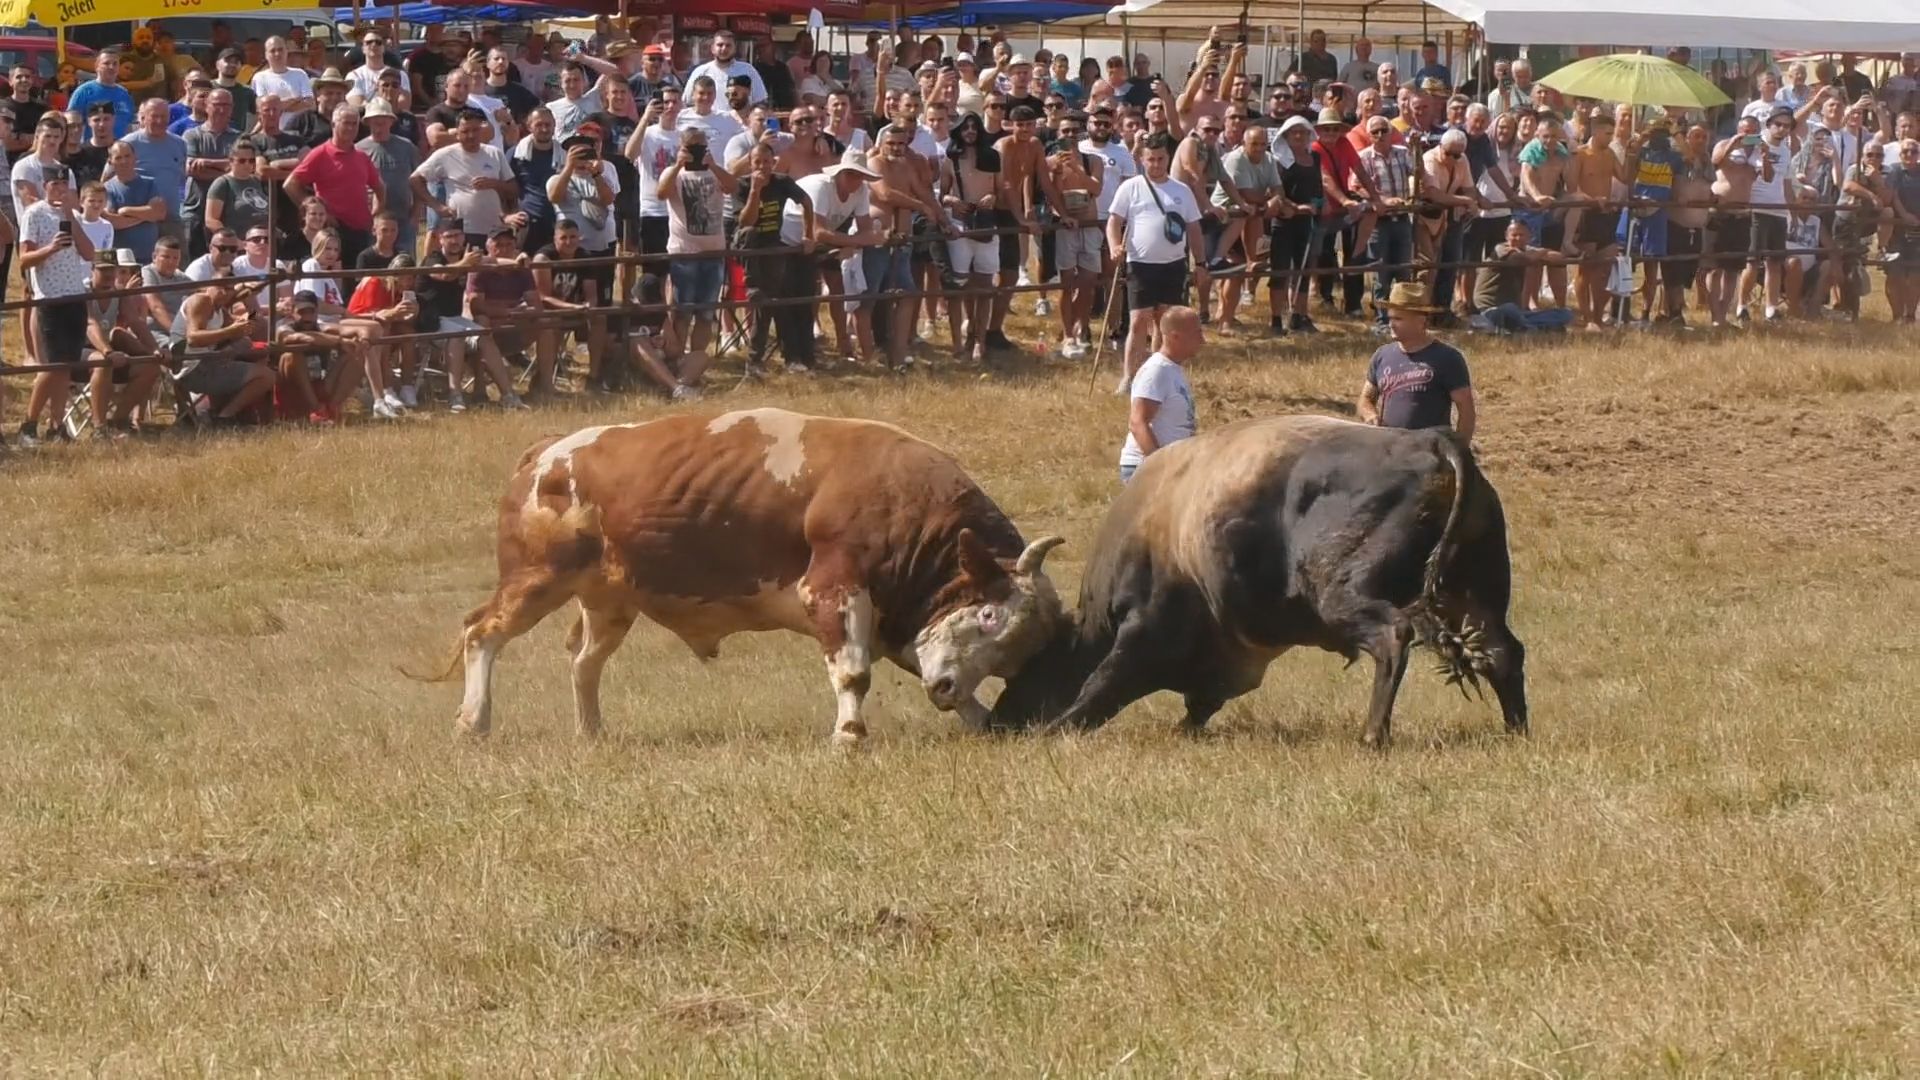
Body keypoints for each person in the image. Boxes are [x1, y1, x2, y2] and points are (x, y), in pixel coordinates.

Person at [1107, 132, 1202, 392]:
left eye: (1161, 159)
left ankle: (1156, 377)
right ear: (1142, 159)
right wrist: (1116, 245)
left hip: (1173, 264)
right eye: (1151, 159)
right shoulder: (1131, 187)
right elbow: (1114, 220)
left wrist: (1201, 263)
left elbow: (1194, 229)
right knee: (1138, 320)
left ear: (1167, 158)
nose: (1156, 164)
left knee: (1164, 321)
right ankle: (1128, 376)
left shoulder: (1181, 190)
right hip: (1140, 263)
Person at [15, 166, 99, 446]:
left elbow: (89, 253)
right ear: (45, 185)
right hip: (49, 298)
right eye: (55, 184)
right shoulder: (34, 213)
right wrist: (50, 248)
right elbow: (24, 260)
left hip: (75, 296)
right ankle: (28, 425)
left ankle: (57, 425)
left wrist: (70, 218)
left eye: (65, 184)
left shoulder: (71, 215)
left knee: (66, 368)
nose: (61, 189)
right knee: (51, 366)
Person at [1358, 281, 1475, 441]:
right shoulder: (1382, 355)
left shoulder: (1448, 358)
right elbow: (1365, 399)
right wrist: (1370, 415)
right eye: (1390, 317)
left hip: (1429, 454)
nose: (1391, 324)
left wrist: (1459, 452)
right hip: (1390, 451)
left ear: (1421, 321)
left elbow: (1466, 411)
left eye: (1398, 319)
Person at [172, 271, 276, 427]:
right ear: (210, 285)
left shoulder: (219, 311)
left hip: (205, 364)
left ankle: (227, 415)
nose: (223, 293)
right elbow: (193, 338)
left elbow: (247, 325)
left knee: (250, 347)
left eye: (228, 289)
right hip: (193, 369)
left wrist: (251, 301)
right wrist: (231, 331)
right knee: (267, 376)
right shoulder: (201, 300)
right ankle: (224, 418)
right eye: (220, 287)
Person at [287, 103, 385, 264]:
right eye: (346, 123)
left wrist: (375, 214)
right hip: (333, 231)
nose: (351, 128)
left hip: (361, 231)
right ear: (333, 124)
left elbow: (380, 188)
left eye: (354, 124)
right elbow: (291, 185)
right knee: (335, 281)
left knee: (357, 281)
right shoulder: (320, 153)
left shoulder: (361, 156)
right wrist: (315, 210)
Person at [1117, 305, 1202, 483]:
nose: (1203, 340)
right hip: (1147, 470)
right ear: (1175, 336)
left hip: (1172, 467)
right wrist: (1160, 466)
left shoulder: (1173, 369)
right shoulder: (1157, 371)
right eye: (1196, 333)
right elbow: (1137, 422)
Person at [413, 107, 517, 248]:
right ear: (457, 134)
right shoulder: (445, 155)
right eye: (465, 131)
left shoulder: (495, 153)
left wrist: (494, 184)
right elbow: (415, 180)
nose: (471, 135)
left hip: (494, 231)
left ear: (481, 131)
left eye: (475, 130)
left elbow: (513, 189)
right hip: (461, 232)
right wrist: (437, 206)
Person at [1469, 218, 1575, 333]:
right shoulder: (1501, 249)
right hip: (1491, 309)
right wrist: (1541, 253)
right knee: (1509, 310)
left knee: (1565, 314)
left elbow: (1558, 257)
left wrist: (1541, 252)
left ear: (1530, 236)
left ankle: (1525, 327)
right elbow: (1522, 259)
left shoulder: (1527, 250)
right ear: (1506, 236)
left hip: (1517, 311)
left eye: (1522, 235)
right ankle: (1534, 328)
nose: (1518, 238)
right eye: (1514, 235)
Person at [123, 100, 190, 250]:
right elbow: (109, 179)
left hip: (171, 220)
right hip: (139, 221)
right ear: (144, 117)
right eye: (154, 116)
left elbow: (181, 177)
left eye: (164, 116)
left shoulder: (179, 144)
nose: (159, 121)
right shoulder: (128, 144)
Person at [68, 49, 137, 138]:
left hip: (118, 148)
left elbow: (129, 125)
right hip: (92, 148)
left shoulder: (124, 94)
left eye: (115, 64)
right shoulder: (84, 91)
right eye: (106, 63)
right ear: (97, 66)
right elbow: (71, 121)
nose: (111, 67)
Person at [251, 37, 315, 132]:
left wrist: (277, 107)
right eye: (273, 51)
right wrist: (295, 100)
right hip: (271, 132)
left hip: (299, 131)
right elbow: (264, 108)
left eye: (280, 50)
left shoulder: (300, 74)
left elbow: (310, 105)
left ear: (286, 52)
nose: (277, 54)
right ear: (266, 55)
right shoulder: (259, 77)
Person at [687, 30, 767, 107]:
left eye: (728, 45)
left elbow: (760, 101)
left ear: (735, 48)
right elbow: (687, 101)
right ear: (712, 49)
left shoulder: (748, 70)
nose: (724, 48)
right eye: (720, 45)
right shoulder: (701, 72)